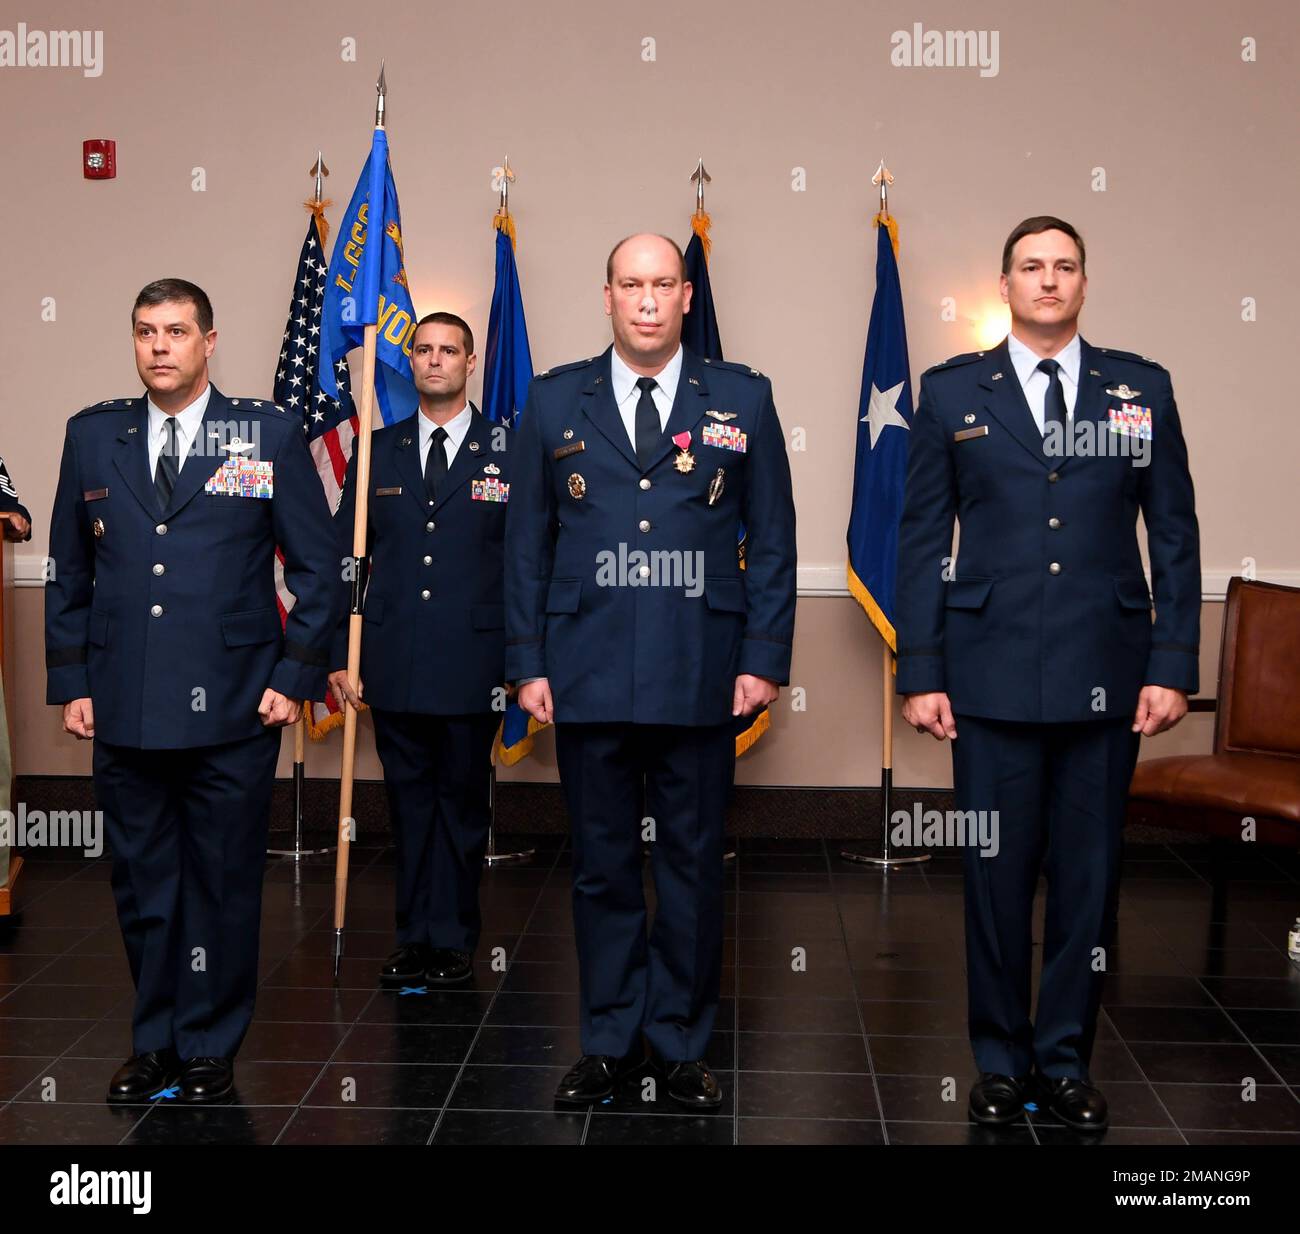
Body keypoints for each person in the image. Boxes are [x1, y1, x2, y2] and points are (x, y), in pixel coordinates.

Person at [895, 217, 1200, 1132]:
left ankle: (1065, 1059)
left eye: (1065, 266)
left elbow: (1175, 535)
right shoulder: (952, 394)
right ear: (1005, 284)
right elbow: (918, 542)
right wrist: (922, 670)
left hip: (1108, 675)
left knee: (1087, 877)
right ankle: (998, 1059)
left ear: (1083, 282)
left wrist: (1173, 664)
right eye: (1032, 266)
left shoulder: (1139, 390)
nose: (1049, 280)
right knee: (992, 874)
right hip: (985, 680)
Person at [506, 234, 797, 1109]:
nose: (645, 300)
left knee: (693, 865)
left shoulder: (741, 397)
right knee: (599, 868)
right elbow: (526, 545)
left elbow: (775, 541)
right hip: (585, 668)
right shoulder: (557, 399)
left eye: (662, 284)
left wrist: (764, 659)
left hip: (700, 669)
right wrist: (526, 662)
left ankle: (677, 1044)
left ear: (684, 296)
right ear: (607, 297)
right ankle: (608, 1039)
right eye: (630, 284)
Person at [44, 278, 341, 1104]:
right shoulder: (93, 436)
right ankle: (156, 1041)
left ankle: (209, 1044)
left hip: (238, 704)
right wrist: (71, 680)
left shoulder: (267, 434)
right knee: (143, 884)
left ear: (210, 341)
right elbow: (69, 569)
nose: (160, 346)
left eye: (176, 331)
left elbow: (318, 568)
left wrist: (295, 677)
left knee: (219, 882)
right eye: (146, 332)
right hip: (125, 699)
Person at [329, 313, 508, 989]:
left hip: (476, 664)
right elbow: (348, 558)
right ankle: (414, 936)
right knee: (408, 806)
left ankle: (455, 936)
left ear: (469, 362)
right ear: (412, 363)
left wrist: (525, 661)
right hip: (392, 660)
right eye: (424, 350)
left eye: (449, 351)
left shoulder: (508, 449)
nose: (436, 361)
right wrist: (337, 654)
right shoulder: (378, 452)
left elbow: (527, 564)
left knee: (462, 807)